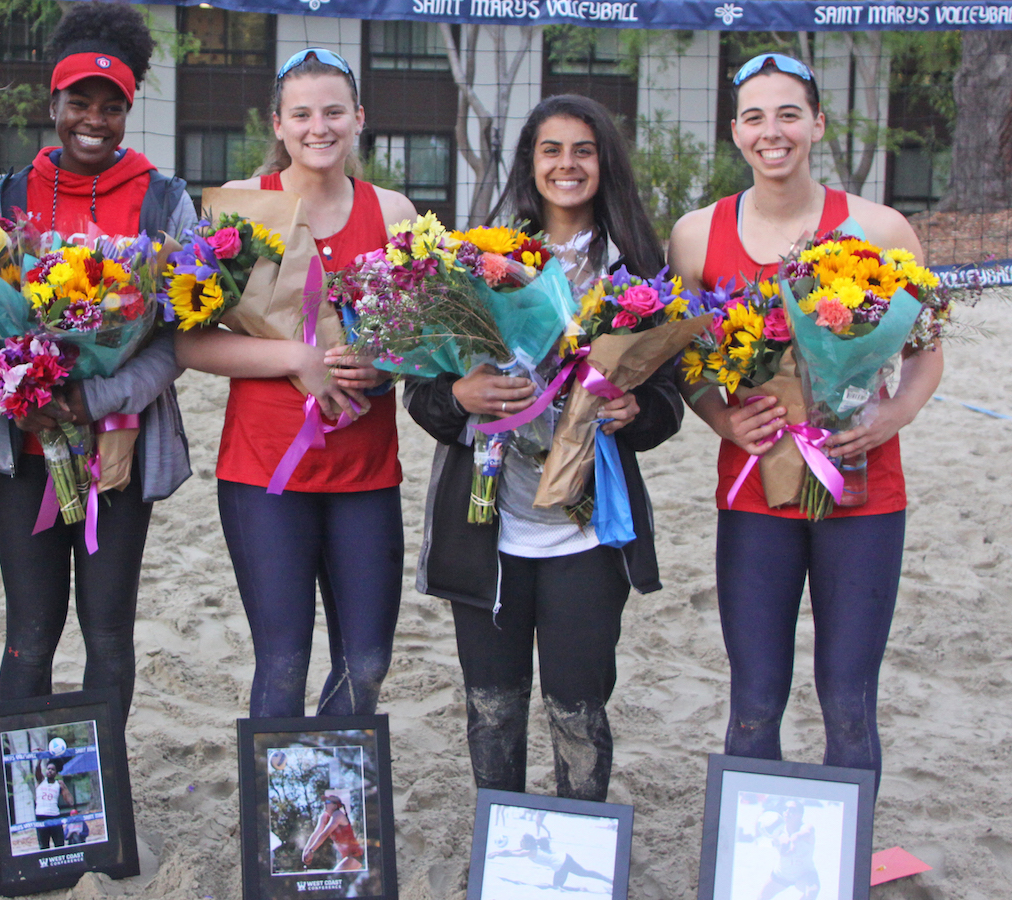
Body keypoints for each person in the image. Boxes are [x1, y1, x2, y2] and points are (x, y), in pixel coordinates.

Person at [667, 53, 942, 786]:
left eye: (789, 114)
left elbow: (925, 352)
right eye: (755, 118)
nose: (773, 132)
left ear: (817, 124)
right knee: (755, 702)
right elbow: (682, 358)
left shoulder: (880, 227)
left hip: (863, 487)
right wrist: (722, 421)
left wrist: (893, 415)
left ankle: (844, 852)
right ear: (735, 131)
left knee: (848, 703)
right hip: (755, 489)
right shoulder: (696, 234)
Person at [403, 95, 681, 801]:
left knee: (578, 707)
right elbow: (421, 392)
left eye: (583, 150)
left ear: (604, 162)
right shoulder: (479, 260)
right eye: (551, 150)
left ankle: (579, 840)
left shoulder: (637, 269)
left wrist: (633, 411)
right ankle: (501, 843)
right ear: (530, 162)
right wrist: (461, 397)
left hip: (587, 531)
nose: (567, 164)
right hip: (487, 524)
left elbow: (668, 404)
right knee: (492, 708)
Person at [0, 0, 194, 716]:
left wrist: (98, 397)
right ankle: (20, 783)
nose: (94, 119)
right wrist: (13, 386)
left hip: (118, 448)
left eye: (111, 106)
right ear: (53, 105)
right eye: (79, 103)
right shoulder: (7, 196)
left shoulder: (164, 201)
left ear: (128, 111)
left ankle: (105, 786)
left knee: (109, 634)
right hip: (25, 446)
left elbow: (178, 339)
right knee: (28, 636)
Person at [176, 48, 417, 718]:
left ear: (359, 118)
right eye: (302, 114)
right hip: (266, 472)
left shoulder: (393, 211)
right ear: (277, 124)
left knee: (365, 666)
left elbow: (429, 341)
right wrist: (296, 358)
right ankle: (278, 793)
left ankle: (337, 790)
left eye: (334, 112)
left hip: (366, 470)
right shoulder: (240, 210)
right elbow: (190, 343)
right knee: (282, 665)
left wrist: (388, 364)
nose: (319, 127)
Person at [487, 833, 613, 892]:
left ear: (528, 843)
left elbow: (513, 854)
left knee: (557, 887)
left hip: (561, 865)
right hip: (565, 858)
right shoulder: (533, 846)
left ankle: (581, 889)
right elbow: (513, 850)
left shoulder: (530, 851)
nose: (520, 843)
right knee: (584, 873)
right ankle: (609, 881)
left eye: (522, 841)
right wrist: (497, 852)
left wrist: (497, 854)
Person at [756, 802, 819, 900]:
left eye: (792, 810)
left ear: (800, 815)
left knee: (812, 891)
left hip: (804, 874)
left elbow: (804, 833)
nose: (787, 812)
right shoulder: (778, 830)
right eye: (785, 808)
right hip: (783, 874)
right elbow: (763, 839)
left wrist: (793, 840)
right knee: (762, 897)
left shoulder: (807, 827)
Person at [300, 790, 364, 871]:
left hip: (356, 855)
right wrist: (305, 851)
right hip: (345, 857)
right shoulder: (324, 817)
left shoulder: (338, 815)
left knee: (335, 875)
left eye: (328, 802)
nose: (325, 804)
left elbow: (325, 834)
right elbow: (316, 833)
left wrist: (311, 850)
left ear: (335, 806)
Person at [33, 761, 77, 850]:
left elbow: (71, 802)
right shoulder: (41, 780)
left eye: (52, 769)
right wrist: (39, 761)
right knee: (44, 846)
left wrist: (64, 787)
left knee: (60, 844)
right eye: (48, 769)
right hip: (41, 816)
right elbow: (37, 771)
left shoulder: (58, 784)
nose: (50, 771)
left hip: (54, 816)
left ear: (56, 773)